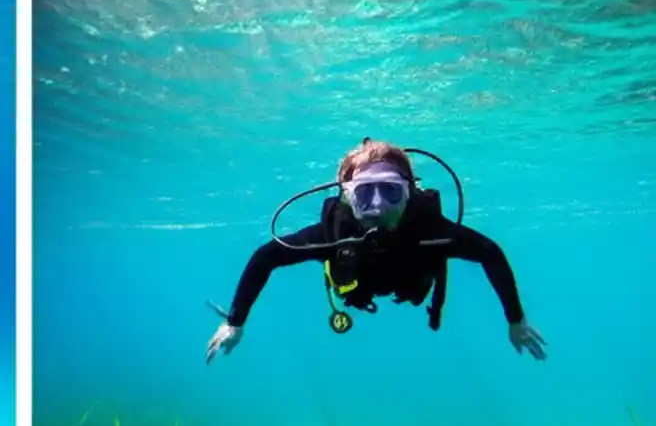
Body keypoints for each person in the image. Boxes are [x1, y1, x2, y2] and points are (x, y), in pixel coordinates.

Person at [205, 138, 546, 364]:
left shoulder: (433, 230)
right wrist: (235, 322)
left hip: (410, 289)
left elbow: (490, 252)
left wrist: (516, 320)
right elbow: (266, 256)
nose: (379, 206)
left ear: (410, 192)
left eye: (391, 192)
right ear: (345, 195)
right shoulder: (330, 234)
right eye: (365, 193)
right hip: (356, 291)